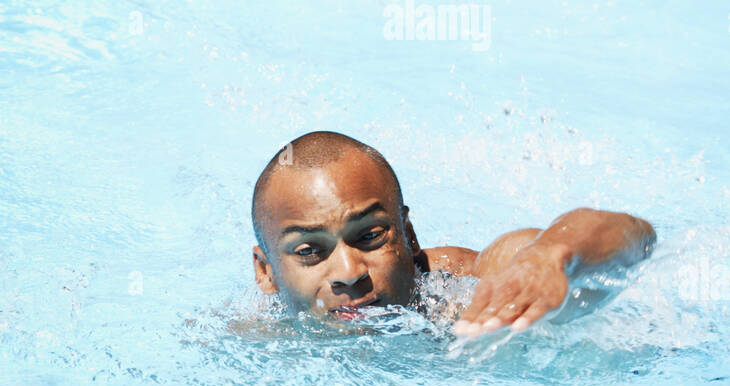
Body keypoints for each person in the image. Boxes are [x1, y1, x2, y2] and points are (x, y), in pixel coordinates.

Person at [252, 131, 655, 335]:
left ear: (408, 236)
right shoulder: (257, 339)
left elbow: (636, 235)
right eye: (308, 251)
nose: (348, 271)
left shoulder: (456, 293)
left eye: (370, 236)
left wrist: (548, 257)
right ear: (265, 272)